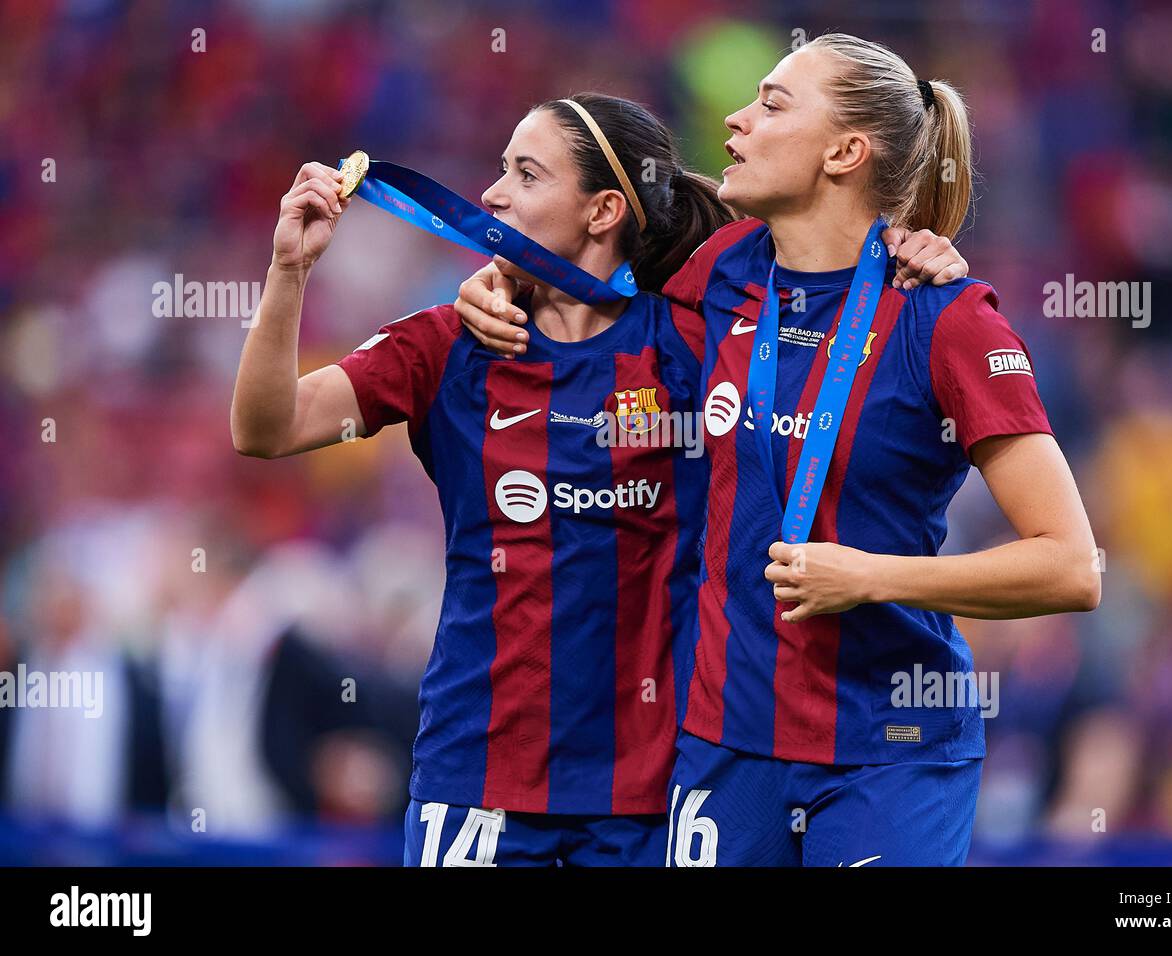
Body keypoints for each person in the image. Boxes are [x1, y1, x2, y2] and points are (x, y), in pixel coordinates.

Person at [231, 90, 969, 865]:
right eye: (500, 170)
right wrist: (289, 270)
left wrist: (909, 252)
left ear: (603, 210)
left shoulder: (694, 342)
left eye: (526, 172)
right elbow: (267, 428)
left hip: (655, 797)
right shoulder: (449, 344)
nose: (490, 193)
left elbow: (824, 282)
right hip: (478, 776)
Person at [457, 35, 1098, 867]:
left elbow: (1071, 566)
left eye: (772, 104)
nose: (736, 118)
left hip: (889, 746)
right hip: (726, 745)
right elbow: (581, 288)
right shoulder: (720, 269)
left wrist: (869, 575)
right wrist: (500, 283)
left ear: (844, 151)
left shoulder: (947, 319)